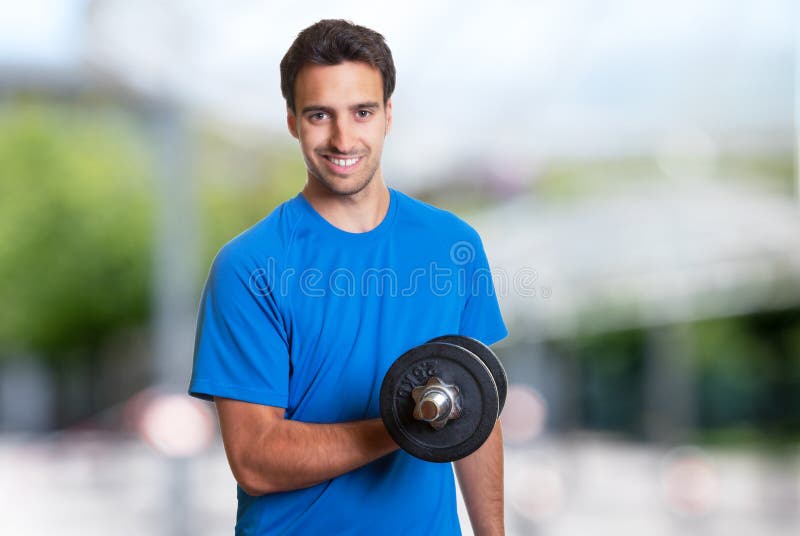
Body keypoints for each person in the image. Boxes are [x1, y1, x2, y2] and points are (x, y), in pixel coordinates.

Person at [188, 19, 508, 535]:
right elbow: (256, 459)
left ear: (387, 115)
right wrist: (412, 422)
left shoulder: (453, 245)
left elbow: (477, 411)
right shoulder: (250, 265)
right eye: (320, 115)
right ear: (293, 121)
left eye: (362, 112)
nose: (343, 137)